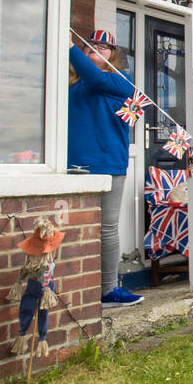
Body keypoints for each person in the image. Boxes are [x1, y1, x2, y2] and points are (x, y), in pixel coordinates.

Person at [68, 30, 143, 308]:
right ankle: (74, 286)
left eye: (104, 46)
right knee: (75, 226)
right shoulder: (71, 85)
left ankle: (109, 289)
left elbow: (95, 78)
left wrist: (70, 48)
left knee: (107, 228)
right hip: (73, 165)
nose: (96, 48)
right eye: (90, 45)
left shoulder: (120, 81)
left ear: (113, 54)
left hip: (110, 163)